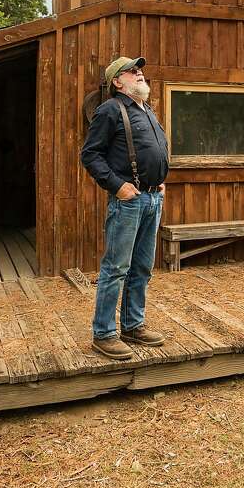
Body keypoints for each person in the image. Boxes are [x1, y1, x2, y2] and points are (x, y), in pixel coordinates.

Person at [80, 56, 169, 360]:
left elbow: (151, 152)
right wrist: (117, 185)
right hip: (128, 202)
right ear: (117, 82)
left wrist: (159, 180)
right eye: (132, 71)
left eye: (139, 69)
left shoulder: (147, 110)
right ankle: (103, 334)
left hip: (152, 198)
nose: (139, 73)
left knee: (142, 267)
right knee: (116, 268)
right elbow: (90, 155)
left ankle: (133, 325)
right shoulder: (110, 109)